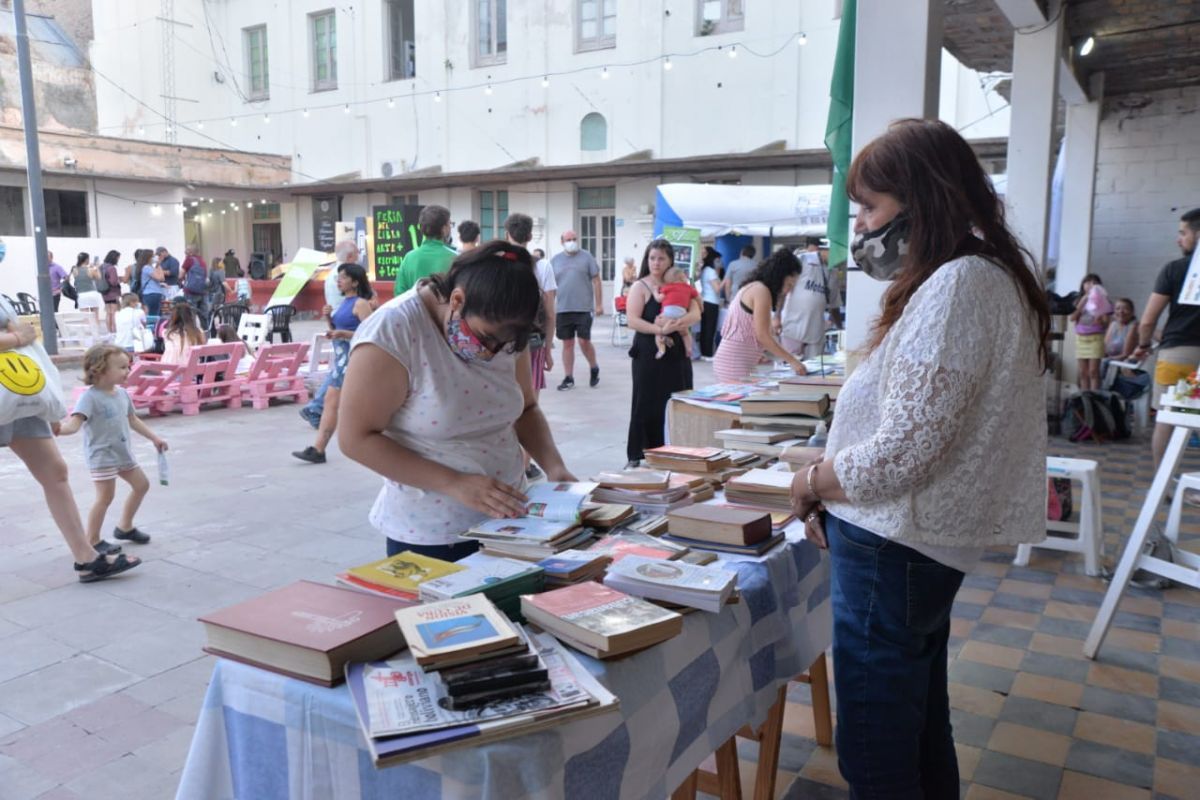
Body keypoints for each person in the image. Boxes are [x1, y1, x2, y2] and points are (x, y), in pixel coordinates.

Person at [789, 118, 1049, 798]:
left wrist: (812, 480)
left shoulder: (961, 283)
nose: (864, 227)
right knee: (919, 726)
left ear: (921, 198)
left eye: (871, 208)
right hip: (912, 544)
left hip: (893, 545)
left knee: (877, 746)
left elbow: (906, 449)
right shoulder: (973, 277)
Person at [338, 241, 577, 560]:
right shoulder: (393, 331)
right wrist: (455, 483)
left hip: (511, 522)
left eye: (506, 344)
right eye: (488, 338)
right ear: (457, 299)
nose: (493, 352)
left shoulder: (506, 331)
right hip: (431, 535)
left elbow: (527, 409)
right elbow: (355, 439)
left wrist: (555, 468)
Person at [0, 297, 141, 582]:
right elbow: (22, 339)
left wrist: (46, 405)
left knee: (56, 473)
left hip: (16, 393)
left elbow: (30, 352)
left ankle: (86, 558)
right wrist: (16, 337)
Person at [58, 344, 167, 548]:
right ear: (100, 370)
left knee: (142, 485)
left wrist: (155, 438)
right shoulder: (89, 398)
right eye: (122, 367)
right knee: (105, 497)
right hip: (102, 457)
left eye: (128, 366)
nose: (127, 371)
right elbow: (73, 425)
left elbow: (133, 420)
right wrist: (56, 429)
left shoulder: (122, 394)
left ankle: (125, 527)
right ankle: (93, 539)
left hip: (122, 454)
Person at [624, 239, 702, 468]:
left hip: (676, 350)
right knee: (645, 401)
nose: (656, 263)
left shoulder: (681, 284)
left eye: (661, 258)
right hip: (649, 351)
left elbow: (697, 311)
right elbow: (632, 320)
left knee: (678, 397)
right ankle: (639, 453)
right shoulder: (641, 286)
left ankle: (676, 447)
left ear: (670, 261)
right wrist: (659, 329)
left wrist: (678, 323)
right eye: (652, 258)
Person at [1133, 207, 1200, 467]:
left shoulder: (1174, 269)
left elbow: (1148, 319)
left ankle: (1166, 485)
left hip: (1178, 355)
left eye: (1183, 233)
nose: (1178, 239)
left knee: (1168, 418)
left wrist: (1142, 345)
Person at [293, 264, 376, 464]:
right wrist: (328, 318)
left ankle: (319, 448)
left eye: (344, 277)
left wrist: (344, 334)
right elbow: (337, 329)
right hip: (341, 362)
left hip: (353, 361)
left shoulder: (360, 304)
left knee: (333, 404)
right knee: (332, 404)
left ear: (355, 282)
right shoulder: (344, 303)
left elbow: (373, 333)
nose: (339, 281)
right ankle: (318, 448)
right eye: (338, 277)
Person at [506, 213, 556, 481]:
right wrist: (549, 346)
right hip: (532, 344)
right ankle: (524, 465)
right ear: (530, 236)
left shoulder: (497, 264)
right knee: (530, 404)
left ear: (507, 234)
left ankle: (511, 463)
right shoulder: (541, 266)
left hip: (500, 345)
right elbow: (549, 311)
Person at [712, 250, 808, 382]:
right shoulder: (761, 291)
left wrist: (760, 351)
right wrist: (792, 361)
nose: (789, 290)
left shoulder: (755, 287)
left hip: (735, 361)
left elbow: (752, 331)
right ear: (779, 276)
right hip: (734, 363)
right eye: (789, 284)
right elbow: (762, 336)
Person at [301, 240, 362, 428]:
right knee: (341, 372)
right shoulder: (345, 276)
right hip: (346, 326)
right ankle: (318, 406)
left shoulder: (331, 275)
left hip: (339, 324)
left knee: (340, 371)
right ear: (351, 256)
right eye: (357, 252)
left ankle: (320, 406)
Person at [551, 230, 603, 390]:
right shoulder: (555, 261)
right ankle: (568, 377)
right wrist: (549, 309)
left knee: (584, 341)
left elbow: (596, 281)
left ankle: (594, 367)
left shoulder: (587, 257)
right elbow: (551, 287)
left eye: (574, 239)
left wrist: (599, 304)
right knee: (567, 343)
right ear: (562, 241)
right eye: (568, 239)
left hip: (584, 307)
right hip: (563, 308)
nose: (572, 241)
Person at [779, 239, 843, 358]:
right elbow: (782, 290)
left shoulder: (832, 271)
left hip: (815, 332)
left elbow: (834, 304)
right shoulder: (802, 260)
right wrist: (776, 317)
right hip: (793, 328)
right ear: (824, 249)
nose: (838, 259)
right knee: (789, 369)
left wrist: (840, 329)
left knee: (814, 371)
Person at [394, 205, 457, 293]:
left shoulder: (408, 258)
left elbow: (399, 294)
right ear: (444, 229)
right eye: (450, 224)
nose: (450, 228)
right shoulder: (456, 258)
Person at [1070, 273, 1111, 392]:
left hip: (1096, 338)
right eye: (1087, 282)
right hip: (1081, 339)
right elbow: (1072, 318)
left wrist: (1101, 317)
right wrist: (1083, 301)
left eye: (1094, 283)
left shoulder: (1103, 300)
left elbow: (1106, 323)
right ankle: (1085, 400)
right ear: (1083, 285)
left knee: (1093, 371)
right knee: (1083, 372)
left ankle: (1094, 399)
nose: (1091, 285)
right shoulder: (1079, 300)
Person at [653, 266, 699, 359]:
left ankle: (661, 347)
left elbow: (658, 299)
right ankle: (689, 349)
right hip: (681, 315)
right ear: (682, 278)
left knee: (657, 328)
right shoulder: (689, 288)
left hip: (667, 314)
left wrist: (654, 291)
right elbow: (697, 297)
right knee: (685, 334)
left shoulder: (667, 287)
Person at [697, 254, 721, 359]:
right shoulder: (711, 272)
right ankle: (708, 354)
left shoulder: (704, 270)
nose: (719, 263)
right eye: (718, 260)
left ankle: (704, 352)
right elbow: (717, 289)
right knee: (710, 329)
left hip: (704, 300)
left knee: (705, 327)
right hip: (712, 302)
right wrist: (724, 281)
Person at [71, 252, 104, 319]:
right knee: (95, 316)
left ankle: (87, 329)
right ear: (86, 259)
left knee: (85, 317)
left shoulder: (75, 270)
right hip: (92, 294)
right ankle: (95, 328)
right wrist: (96, 268)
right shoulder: (91, 269)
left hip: (81, 295)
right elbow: (99, 277)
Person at [137, 250, 166, 319]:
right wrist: (159, 266)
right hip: (151, 293)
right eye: (153, 256)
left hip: (153, 293)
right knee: (153, 314)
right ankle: (152, 328)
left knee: (154, 313)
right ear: (148, 258)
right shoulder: (147, 268)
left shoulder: (150, 268)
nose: (155, 258)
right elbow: (161, 278)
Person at [99, 250, 122, 332]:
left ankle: (109, 331)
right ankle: (114, 330)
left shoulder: (101, 266)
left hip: (104, 293)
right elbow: (113, 282)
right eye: (118, 258)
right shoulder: (112, 268)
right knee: (114, 313)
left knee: (108, 313)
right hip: (113, 293)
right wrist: (119, 280)